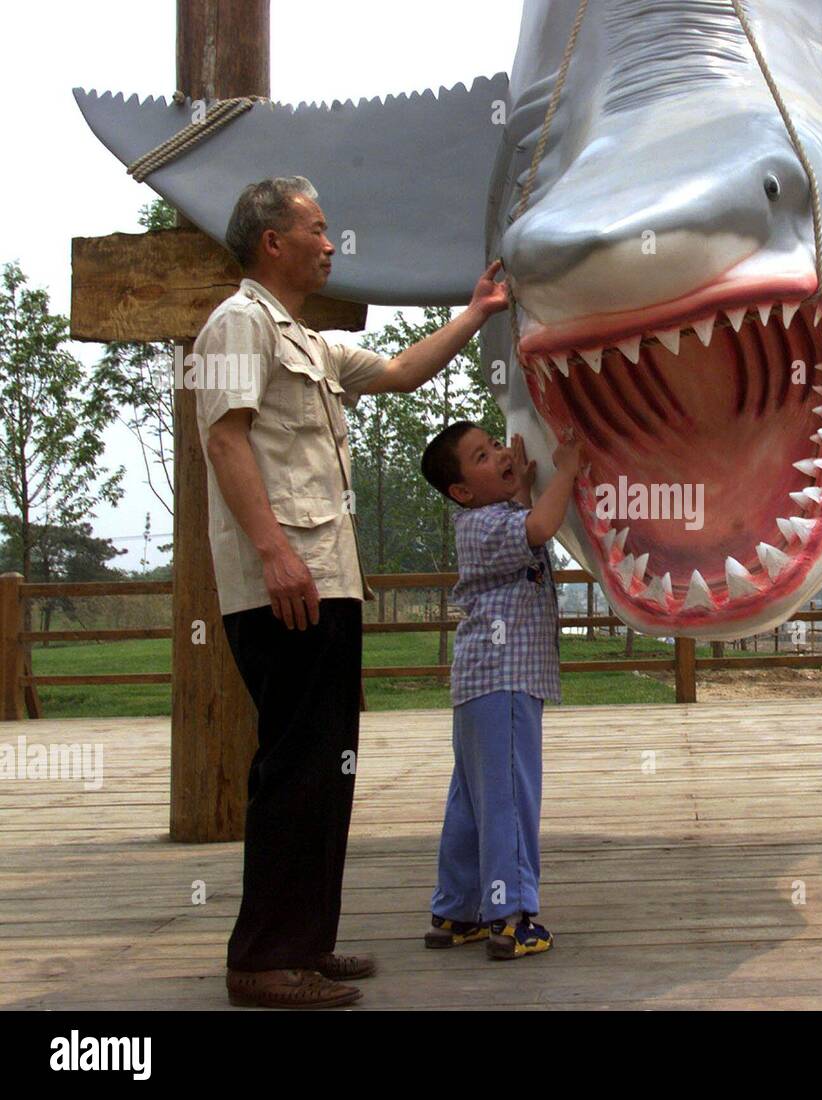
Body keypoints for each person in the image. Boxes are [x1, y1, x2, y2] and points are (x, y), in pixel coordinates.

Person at [196, 175, 508, 1008]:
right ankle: (264, 960)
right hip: (284, 583)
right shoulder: (235, 324)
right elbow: (226, 443)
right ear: (273, 241)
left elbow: (405, 371)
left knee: (327, 766)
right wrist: (273, 553)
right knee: (295, 765)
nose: (332, 244)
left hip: (327, 582)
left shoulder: (307, 340)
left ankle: (305, 944)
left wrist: (476, 313)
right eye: (318, 228)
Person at [418, 421, 582, 959]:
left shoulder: (494, 516)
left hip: (480, 684)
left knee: (473, 799)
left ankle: (457, 910)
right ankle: (511, 917)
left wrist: (523, 485)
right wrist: (569, 470)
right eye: (482, 456)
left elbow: (529, 522)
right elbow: (541, 527)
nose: (499, 454)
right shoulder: (484, 525)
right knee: (510, 796)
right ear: (462, 492)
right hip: (504, 681)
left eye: (494, 444)